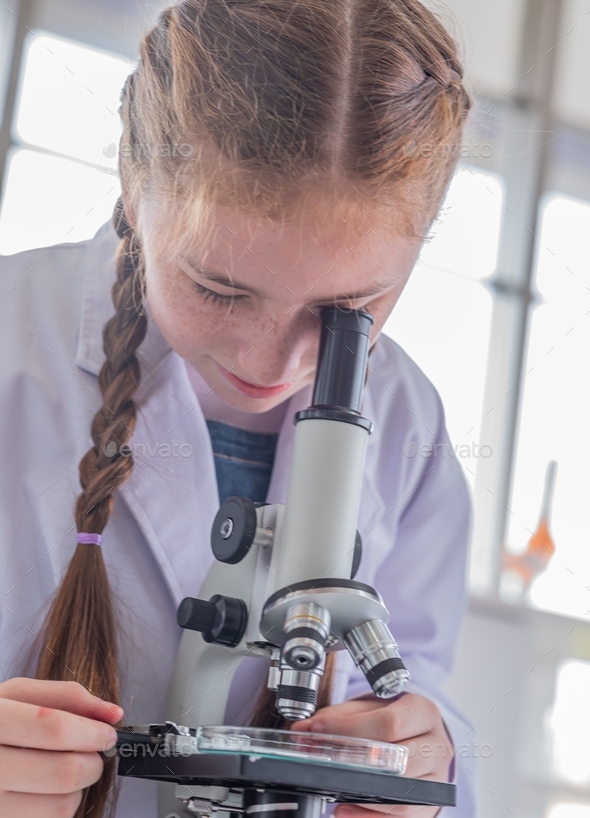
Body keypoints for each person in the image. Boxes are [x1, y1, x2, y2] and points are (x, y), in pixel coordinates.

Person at [0, 1, 475, 817]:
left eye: (352, 306)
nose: (272, 360)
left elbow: (423, 692)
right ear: (132, 177)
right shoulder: (17, 340)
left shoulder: (408, 422)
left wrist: (423, 769)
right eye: (218, 288)